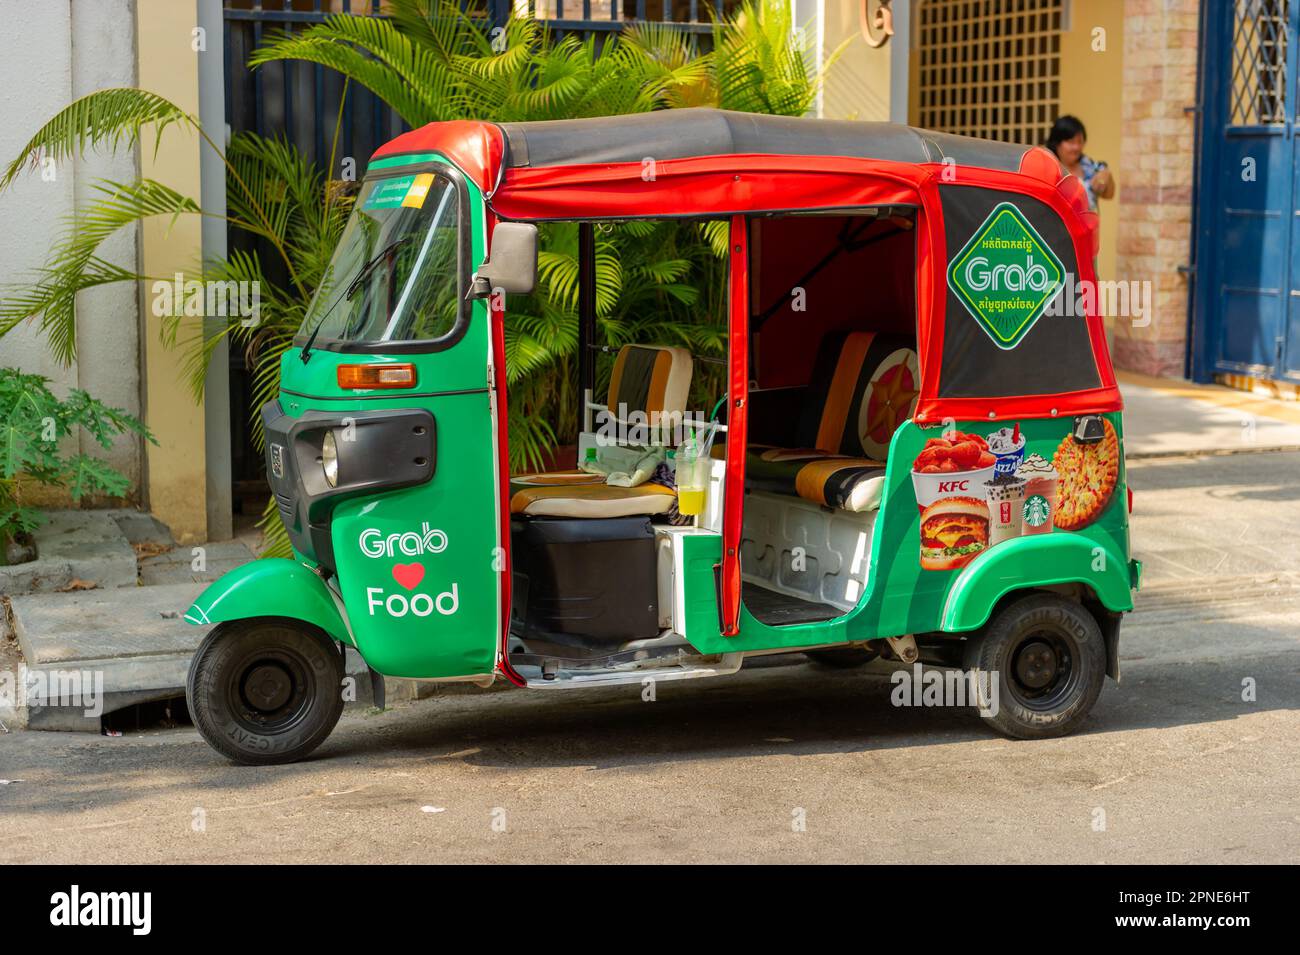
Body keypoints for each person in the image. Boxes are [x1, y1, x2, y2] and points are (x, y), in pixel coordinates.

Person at [1045, 115, 1114, 212]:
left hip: (1087, 226)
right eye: (1071, 142)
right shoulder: (1047, 166)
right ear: (1057, 142)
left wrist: (1107, 175)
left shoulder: (1089, 166)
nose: (1076, 147)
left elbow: (1108, 195)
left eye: (1080, 142)